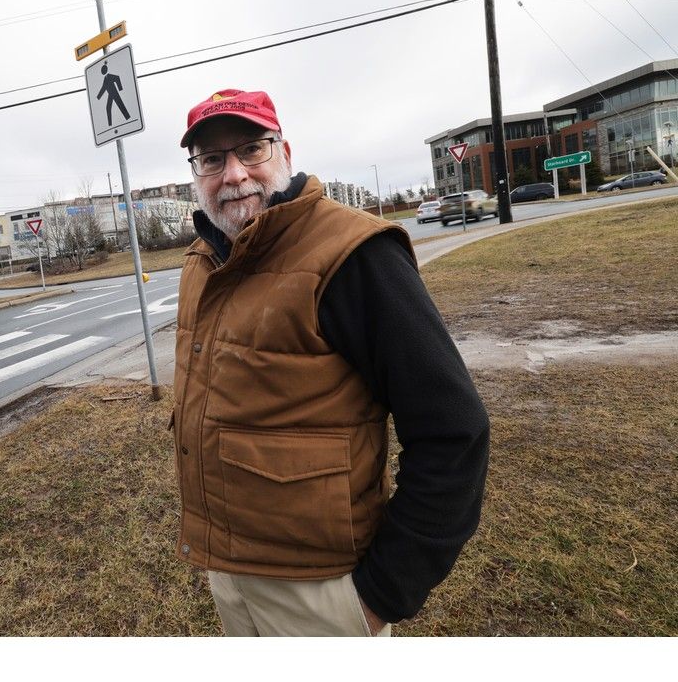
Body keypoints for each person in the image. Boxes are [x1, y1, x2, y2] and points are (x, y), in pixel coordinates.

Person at [171, 88, 490, 636]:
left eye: (251, 149)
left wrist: (383, 594)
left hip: (322, 594)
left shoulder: (352, 253)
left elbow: (453, 432)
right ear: (196, 173)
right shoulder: (204, 260)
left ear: (284, 152)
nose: (233, 175)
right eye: (212, 159)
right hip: (228, 573)